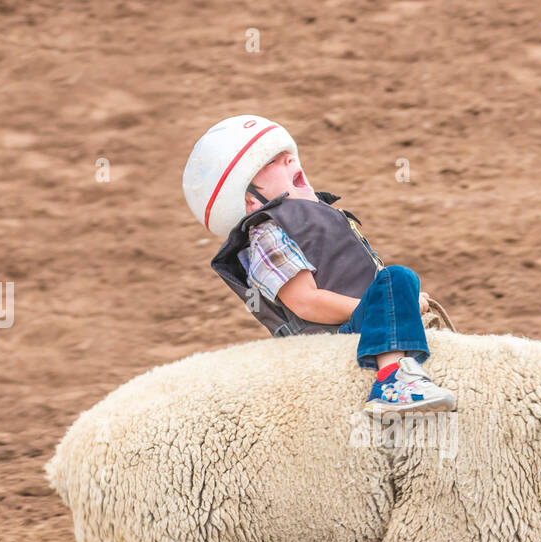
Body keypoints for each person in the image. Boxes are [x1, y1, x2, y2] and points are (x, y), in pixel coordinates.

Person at [184, 115, 456, 414]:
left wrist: (397, 304)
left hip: (362, 320)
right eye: (271, 161)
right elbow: (306, 302)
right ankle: (392, 382)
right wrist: (387, 309)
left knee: (402, 281)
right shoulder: (267, 233)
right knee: (398, 277)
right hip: (330, 339)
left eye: (286, 155)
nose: (288, 159)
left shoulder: (318, 217)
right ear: (251, 202)